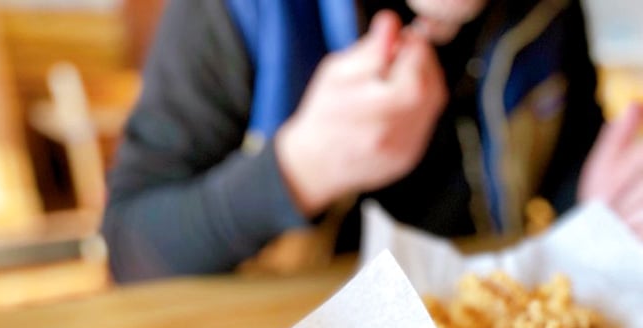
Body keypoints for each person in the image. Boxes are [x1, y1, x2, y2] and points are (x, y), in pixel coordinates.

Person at [102, 0, 643, 283]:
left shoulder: (553, 13)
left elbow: (572, 174)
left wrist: (603, 214)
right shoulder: (240, 10)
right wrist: (298, 169)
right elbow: (130, 246)